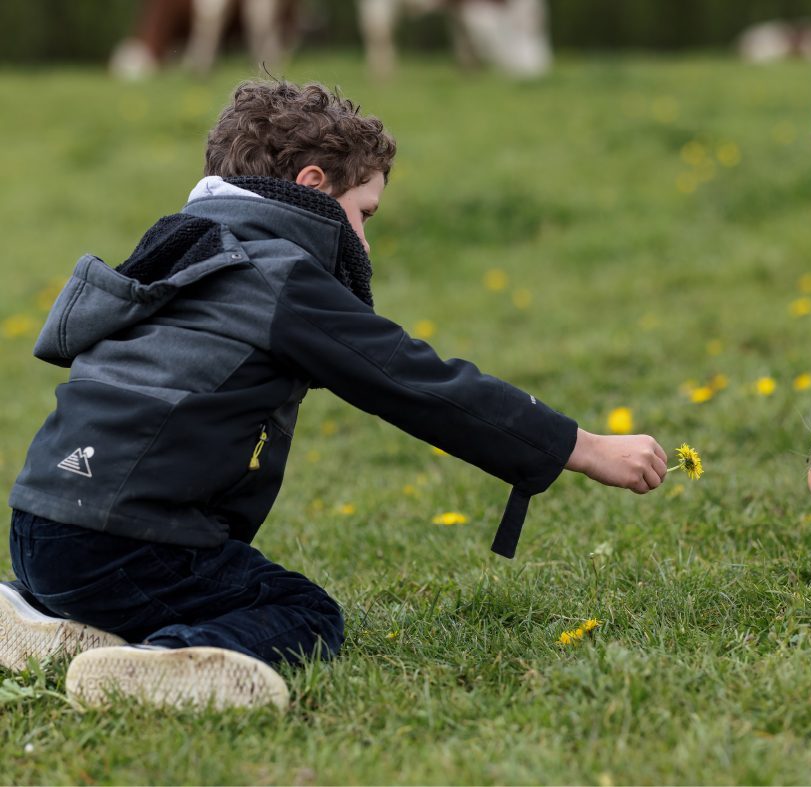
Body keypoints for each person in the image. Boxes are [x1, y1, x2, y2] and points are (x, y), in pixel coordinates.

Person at [1, 80, 667, 710]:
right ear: (312, 187)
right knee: (303, 614)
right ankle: (159, 663)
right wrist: (581, 447)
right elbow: (414, 380)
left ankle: (41, 617)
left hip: (40, 523)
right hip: (129, 542)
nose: (366, 240)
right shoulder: (274, 272)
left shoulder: (180, 247)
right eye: (363, 213)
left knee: (153, 576)